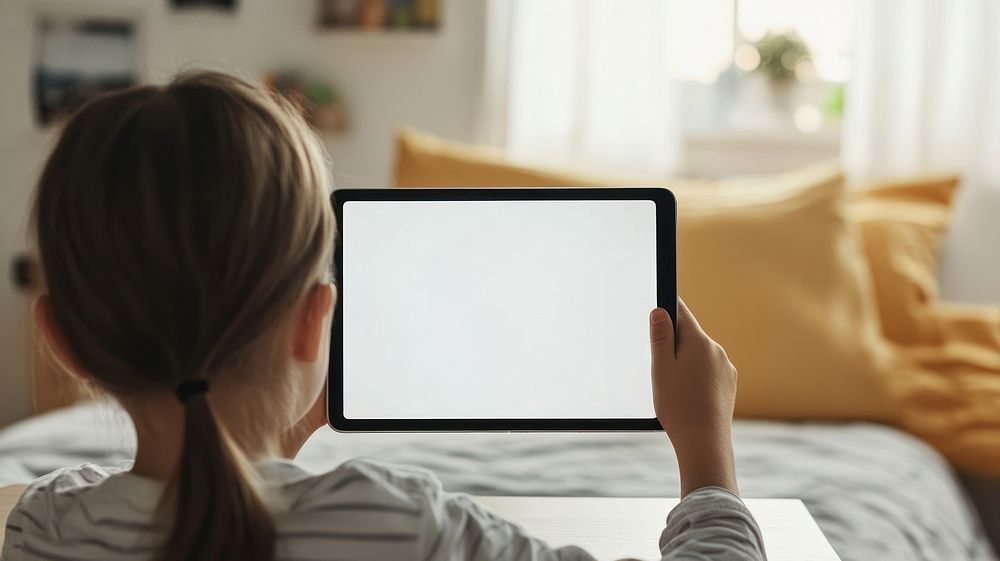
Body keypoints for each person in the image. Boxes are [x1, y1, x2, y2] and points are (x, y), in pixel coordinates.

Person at [1, 71, 765, 561]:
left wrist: (284, 434)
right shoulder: (394, 525)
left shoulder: (45, 527)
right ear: (314, 324)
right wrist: (706, 452)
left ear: (65, 342)